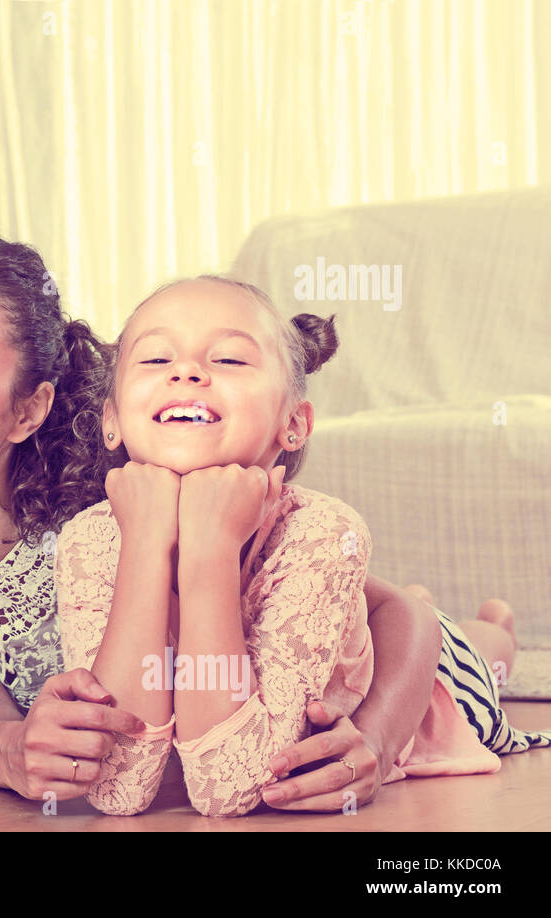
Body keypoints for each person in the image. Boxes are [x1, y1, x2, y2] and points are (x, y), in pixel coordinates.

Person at [0, 230, 460, 811]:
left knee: (464, 657)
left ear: (27, 412)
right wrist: (12, 749)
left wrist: (376, 738)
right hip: (193, 736)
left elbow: (401, 614)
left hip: (338, 668)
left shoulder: (126, 486)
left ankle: (491, 634)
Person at [54, 276, 550, 816]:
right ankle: (412, 608)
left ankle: (494, 629)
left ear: (293, 424)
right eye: (154, 360)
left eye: (229, 360)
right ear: (111, 420)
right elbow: (119, 788)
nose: (187, 371)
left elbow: (228, 789)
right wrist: (147, 544)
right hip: (335, 631)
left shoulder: (324, 531)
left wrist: (210, 548)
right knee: (396, 606)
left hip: (424, 676)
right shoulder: (88, 539)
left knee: (472, 654)